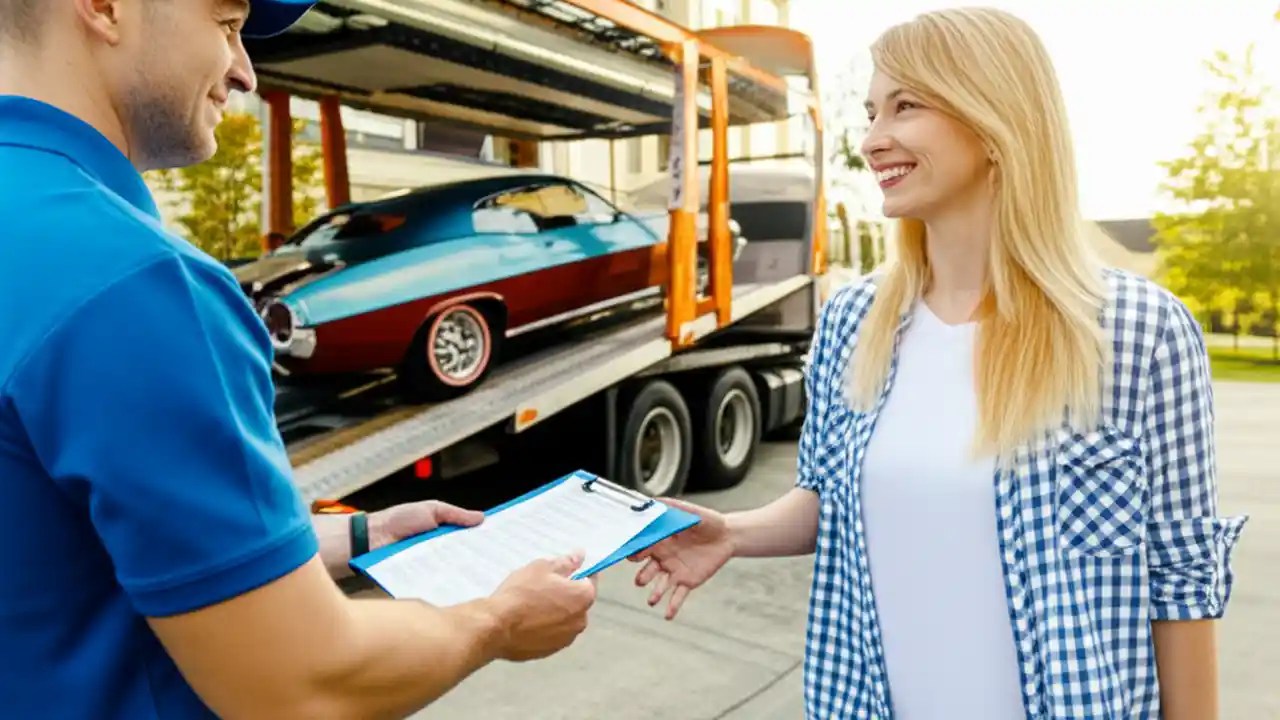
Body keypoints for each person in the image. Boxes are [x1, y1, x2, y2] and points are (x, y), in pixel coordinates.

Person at [631, 7, 1248, 720]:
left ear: (994, 121)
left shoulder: (1137, 331)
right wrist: (733, 533)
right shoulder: (854, 323)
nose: (872, 140)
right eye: (871, 112)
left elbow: (1180, 576)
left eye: (906, 106)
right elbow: (830, 500)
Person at [0, 1, 596, 718]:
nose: (246, 73)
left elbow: (60, 554)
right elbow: (308, 683)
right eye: (227, 25)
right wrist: (497, 620)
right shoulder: (137, 284)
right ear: (104, 6)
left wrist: (363, 535)